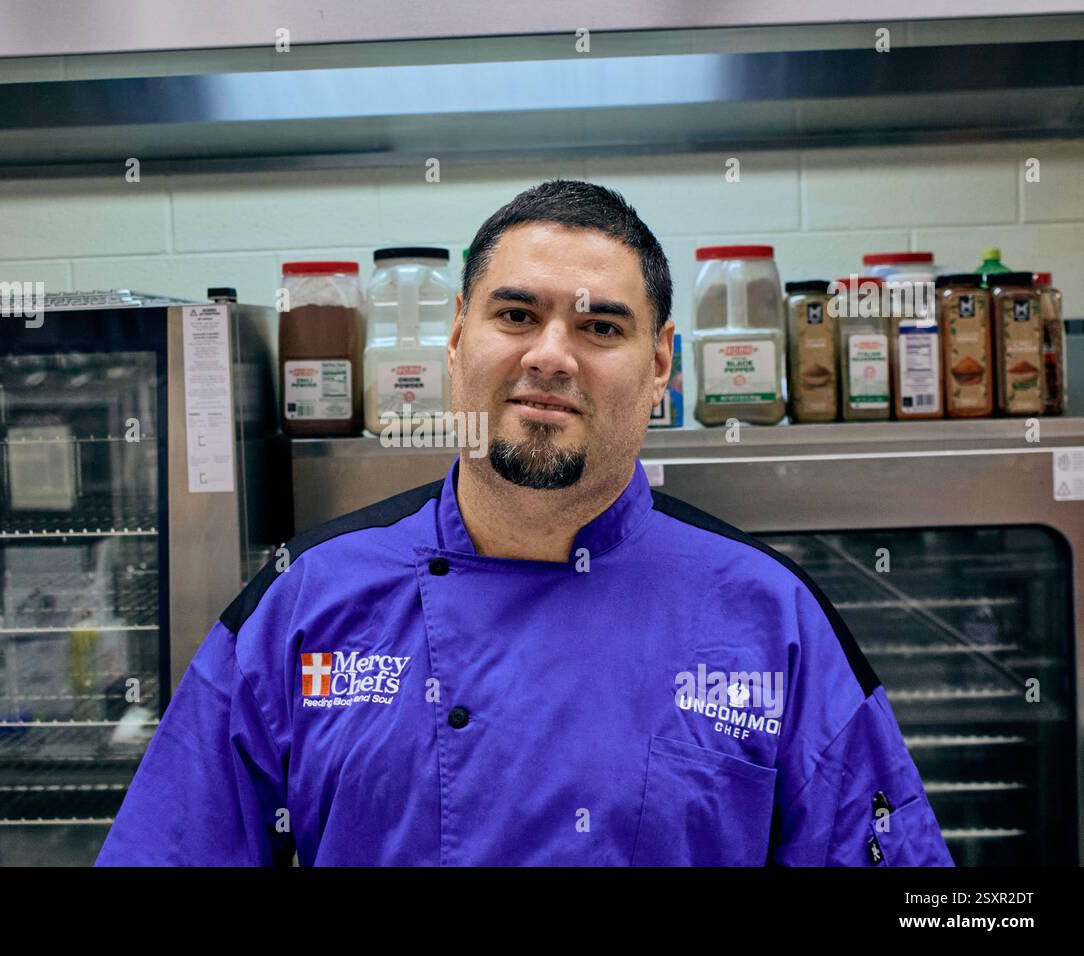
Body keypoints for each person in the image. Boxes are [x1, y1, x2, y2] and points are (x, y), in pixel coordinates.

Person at [96, 179, 954, 866]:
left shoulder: (772, 620)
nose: (551, 353)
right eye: (516, 316)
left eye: (599, 325)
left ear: (660, 367)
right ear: (457, 339)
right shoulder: (302, 605)